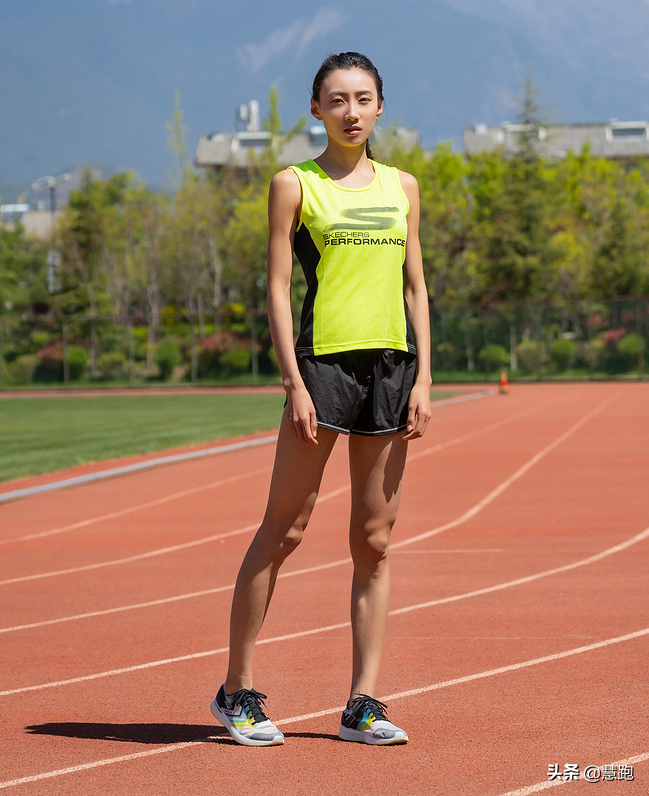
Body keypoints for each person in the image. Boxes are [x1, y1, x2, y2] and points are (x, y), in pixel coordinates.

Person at [210, 51, 432, 747]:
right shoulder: (293, 184)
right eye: (336, 100)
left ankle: (361, 703)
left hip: (392, 370)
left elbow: (414, 286)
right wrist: (292, 381)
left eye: (363, 98)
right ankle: (236, 692)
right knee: (285, 529)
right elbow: (277, 288)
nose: (351, 111)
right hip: (322, 368)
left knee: (373, 541)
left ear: (379, 106)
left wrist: (425, 377)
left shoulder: (402, 186)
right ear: (315, 109)